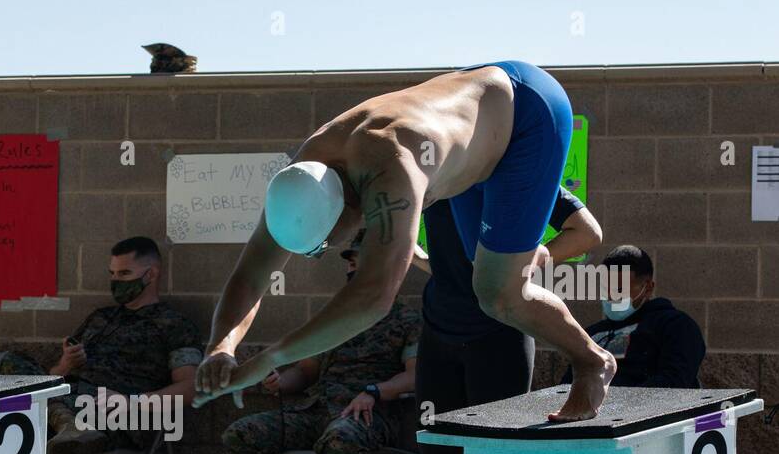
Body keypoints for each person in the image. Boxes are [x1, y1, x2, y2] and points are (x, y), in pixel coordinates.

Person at [194, 60, 617, 424]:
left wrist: (269, 358)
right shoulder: (303, 175)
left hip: (527, 115)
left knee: (497, 293)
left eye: (320, 247)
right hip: (473, 126)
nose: (322, 255)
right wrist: (221, 347)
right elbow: (251, 274)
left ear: (346, 209)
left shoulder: (391, 171)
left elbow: (372, 297)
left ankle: (591, 361)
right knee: (479, 269)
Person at [388, 188, 602, 454]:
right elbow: (440, 260)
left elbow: (587, 232)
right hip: (440, 335)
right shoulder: (438, 173)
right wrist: (415, 254)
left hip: (499, 335)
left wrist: (538, 258)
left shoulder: (514, 169)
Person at [223, 239, 419, 454]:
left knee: (341, 439)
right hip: (318, 410)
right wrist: (282, 381)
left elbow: (416, 376)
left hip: (368, 414)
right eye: (350, 263)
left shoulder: (406, 320)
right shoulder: (334, 318)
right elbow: (306, 371)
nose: (352, 268)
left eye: (361, 262)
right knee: (240, 435)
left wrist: (374, 391)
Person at [0, 236, 203, 454]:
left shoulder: (173, 325)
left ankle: (66, 422)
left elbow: (190, 388)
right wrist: (67, 364)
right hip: (72, 399)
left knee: (20, 408)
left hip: (119, 416)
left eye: (124, 274)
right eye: (112, 274)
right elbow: (53, 377)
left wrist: (132, 402)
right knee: (11, 364)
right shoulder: (101, 318)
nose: (116, 281)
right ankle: (67, 423)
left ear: (151, 274)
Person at [561, 245, 705, 389]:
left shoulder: (675, 326)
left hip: (646, 409)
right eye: (605, 288)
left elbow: (674, 382)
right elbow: (567, 385)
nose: (611, 297)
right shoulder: (591, 334)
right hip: (590, 409)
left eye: (619, 289)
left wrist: (620, 405)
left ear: (647, 288)